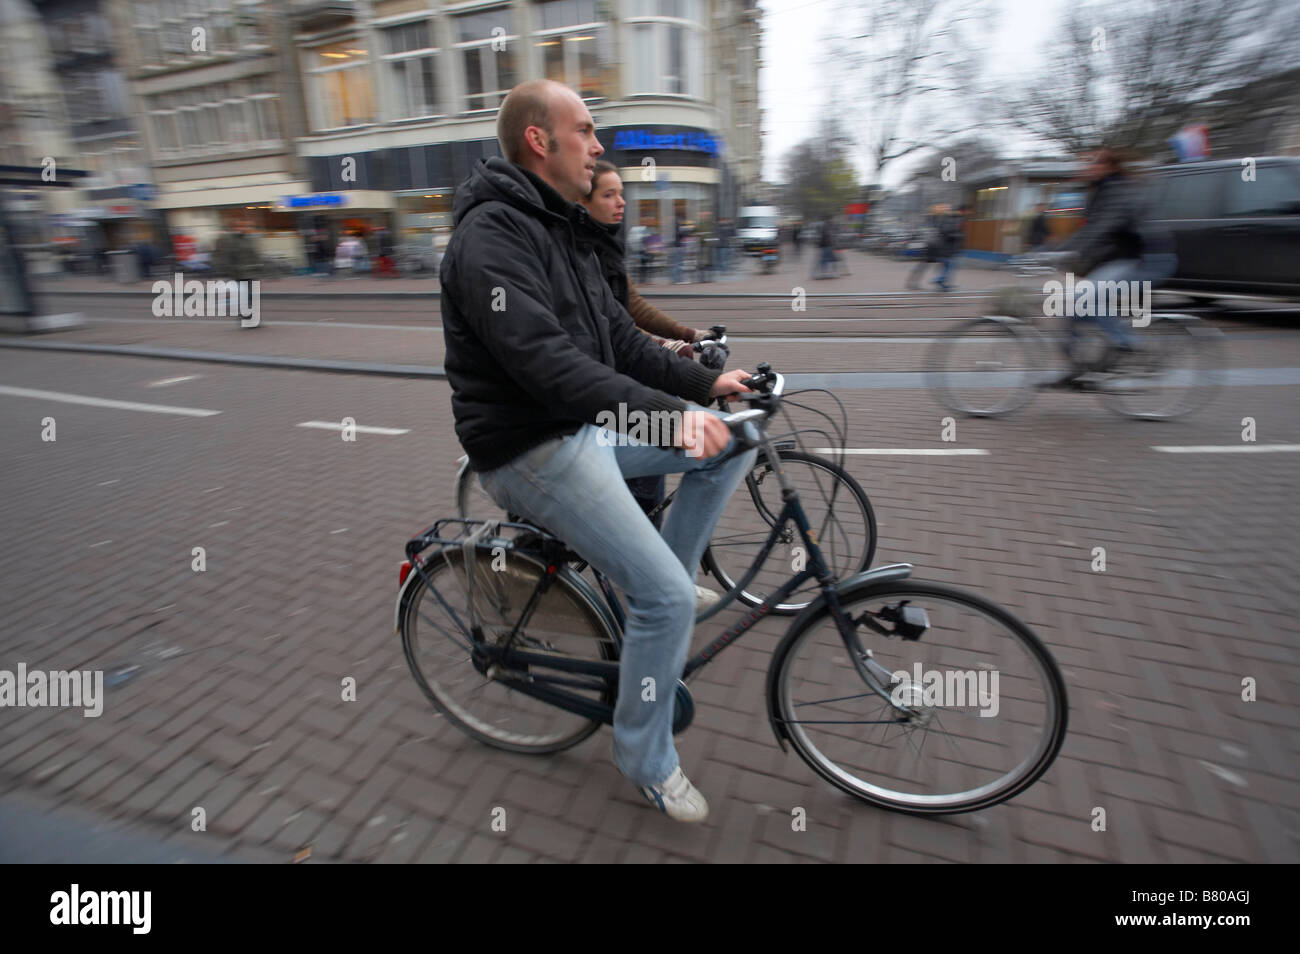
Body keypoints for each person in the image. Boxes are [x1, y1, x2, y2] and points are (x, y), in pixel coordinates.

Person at [440, 79, 757, 822]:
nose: (600, 145)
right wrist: (666, 421)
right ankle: (645, 756)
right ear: (538, 141)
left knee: (732, 444)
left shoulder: (563, 228)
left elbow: (617, 341)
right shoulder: (491, 237)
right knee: (666, 600)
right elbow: (547, 365)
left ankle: (664, 589)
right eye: (586, 129)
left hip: (580, 425)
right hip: (531, 447)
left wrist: (708, 387)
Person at [579, 159, 721, 611]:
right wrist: (669, 349)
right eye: (609, 194)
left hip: (615, 372)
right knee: (665, 431)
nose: (621, 202)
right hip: (600, 385)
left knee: (671, 427)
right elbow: (615, 332)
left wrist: (686, 335)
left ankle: (656, 575)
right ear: (584, 200)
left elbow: (630, 307)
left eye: (622, 193)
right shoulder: (581, 251)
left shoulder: (605, 245)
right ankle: (651, 577)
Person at [1042, 146, 1177, 385]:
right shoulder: (1099, 191)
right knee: (1072, 309)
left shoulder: (1117, 189)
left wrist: (1062, 252)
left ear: (1109, 167)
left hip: (1147, 260)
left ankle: (1127, 343)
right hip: (1121, 259)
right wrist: (1052, 252)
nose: (1088, 167)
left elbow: (1101, 227)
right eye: (1087, 163)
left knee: (1088, 298)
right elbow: (1090, 229)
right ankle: (1077, 369)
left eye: (1094, 163)